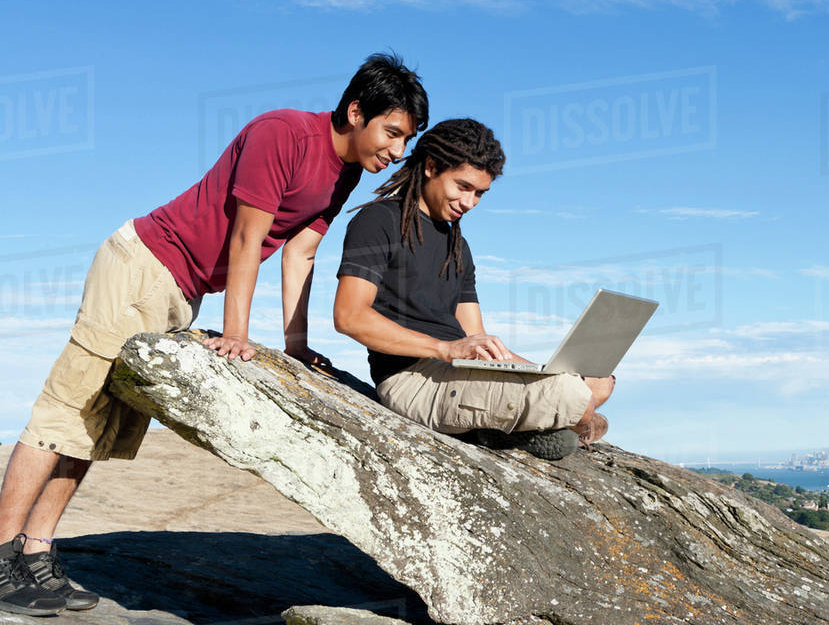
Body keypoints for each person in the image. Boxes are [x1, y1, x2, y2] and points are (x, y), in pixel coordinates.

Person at [0, 53, 428, 617]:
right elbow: (248, 237)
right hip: (143, 264)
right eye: (393, 133)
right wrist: (237, 334)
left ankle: (35, 554)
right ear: (355, 111)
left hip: (180, 290)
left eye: (407, 139)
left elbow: (300, 250)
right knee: (67, 413)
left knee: (98, 428)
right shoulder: (283, 133)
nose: (397, 151)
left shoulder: (344, 172)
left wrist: (296, 345)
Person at [333, 118, 613, 461]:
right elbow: (349, 317)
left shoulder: (458, 246)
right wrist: (444, 348)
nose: (469, 202)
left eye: (479, 193)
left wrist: (549, 372)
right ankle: (539, 424)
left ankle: (509, 428)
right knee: (575, 397)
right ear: (431, 167)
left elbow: (478, 341)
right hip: (411, 380)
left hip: (460, 372)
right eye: (463, 186)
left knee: (596, 383)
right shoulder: (378, 221)